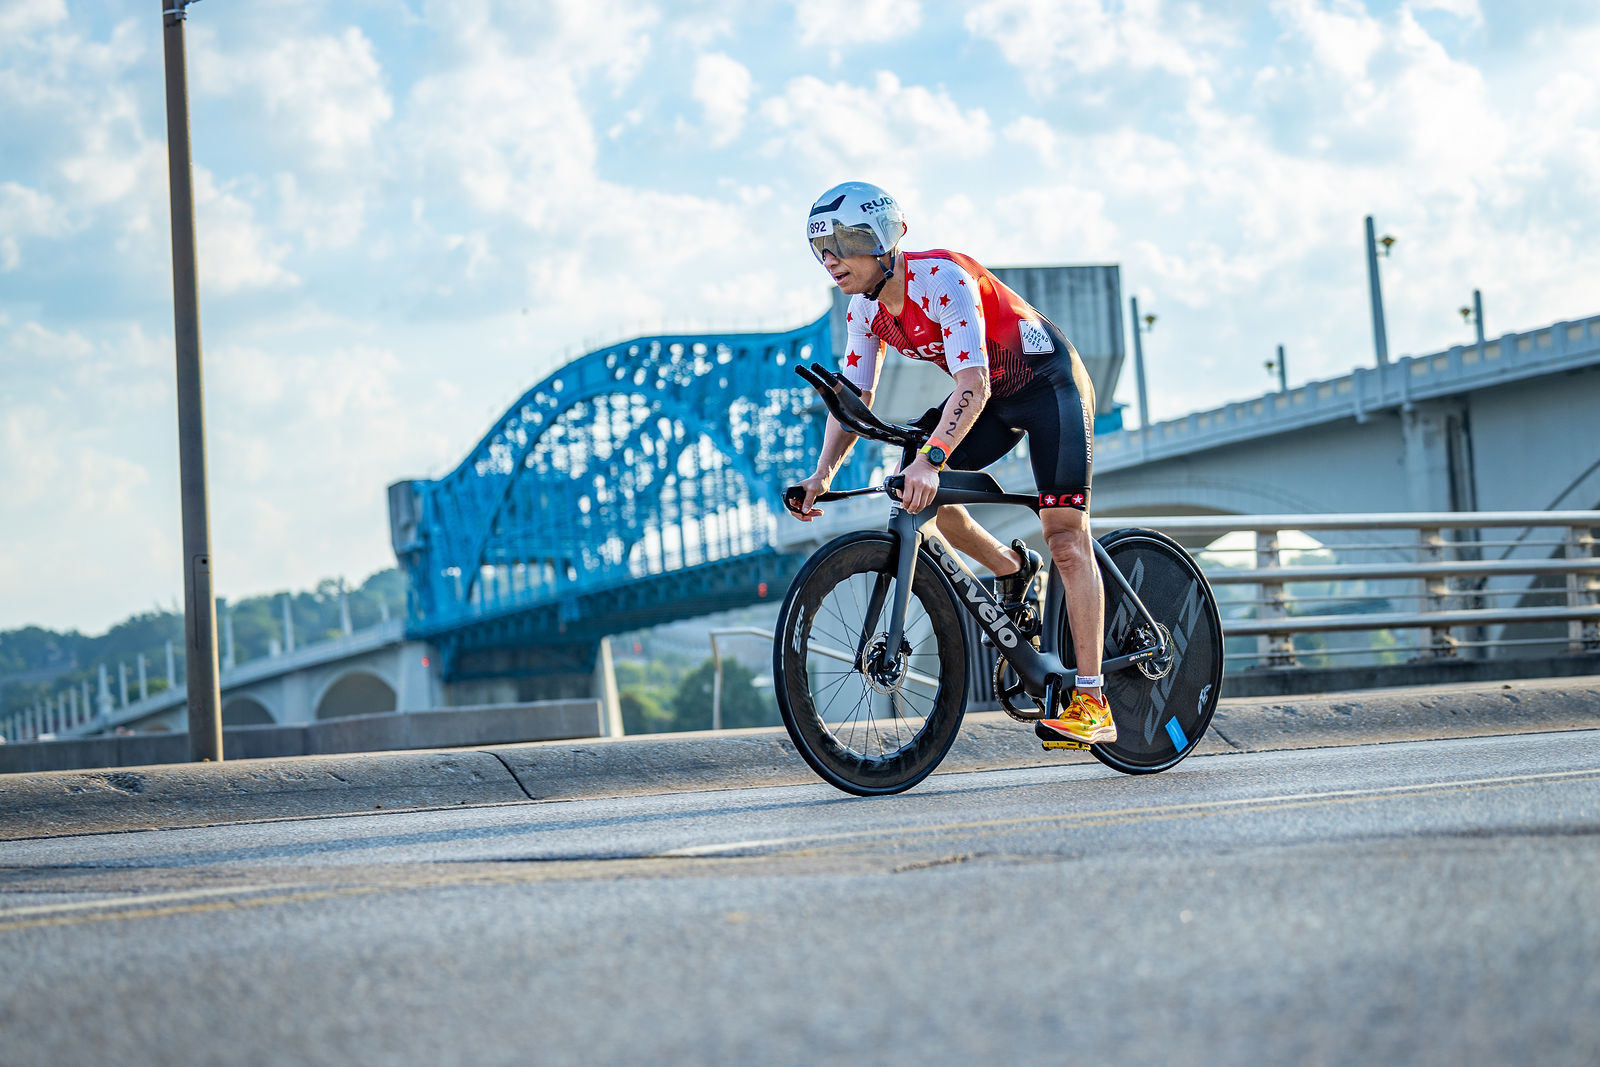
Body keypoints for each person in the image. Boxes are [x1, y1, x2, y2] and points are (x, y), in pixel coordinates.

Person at [788, 180, 1114, 745]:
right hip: (990, 399)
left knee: (1063, 535)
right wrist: (822, 476)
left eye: (840, 244)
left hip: (1048, 387)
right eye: (821, 250)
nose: (830, 261)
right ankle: (1013, 570)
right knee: (926, 499)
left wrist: (933, 457)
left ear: (880, 240)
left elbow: (974, 381)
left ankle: (1092, 699)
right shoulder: (865, 310)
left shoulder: (942, 278)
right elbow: (854, 397)